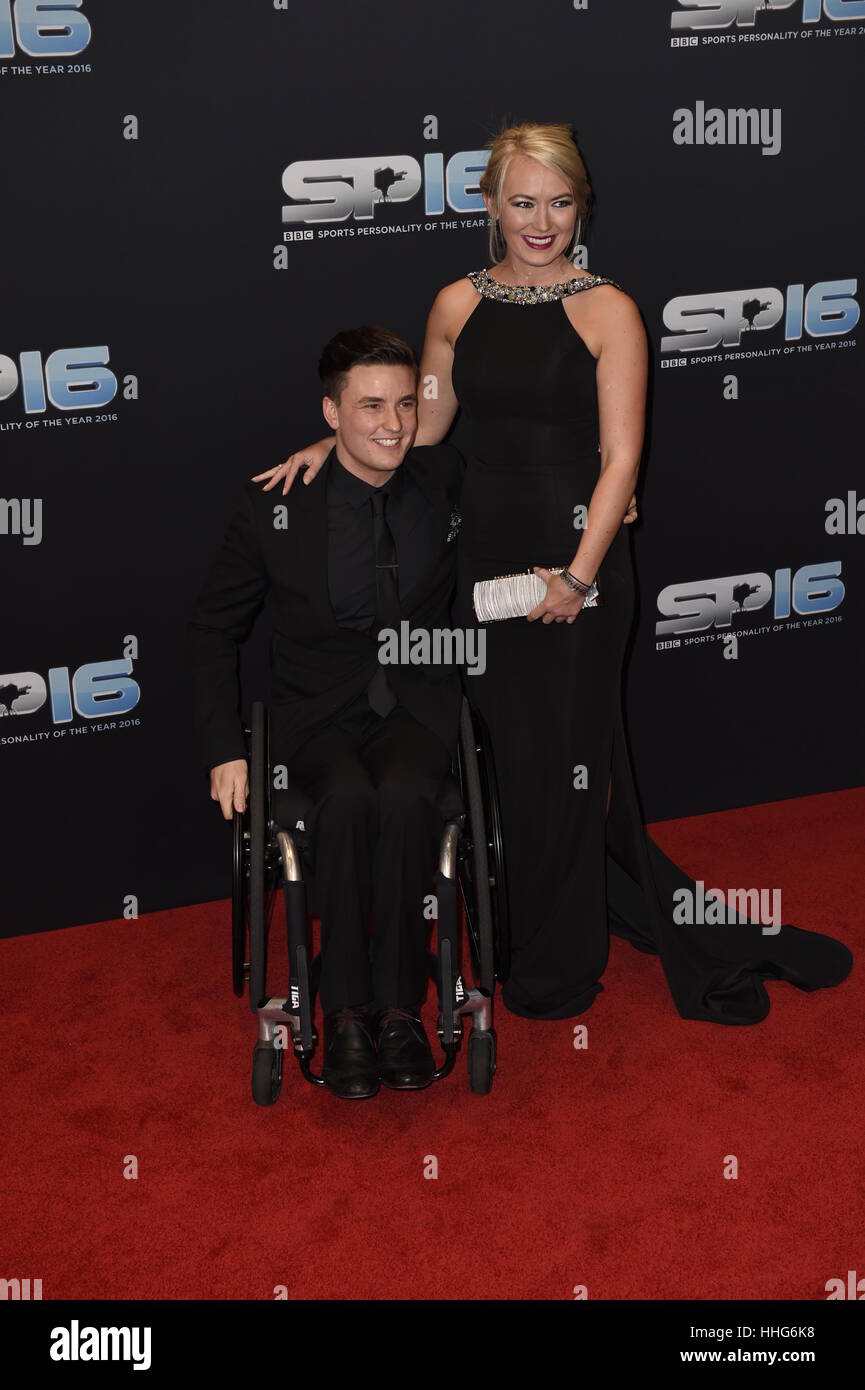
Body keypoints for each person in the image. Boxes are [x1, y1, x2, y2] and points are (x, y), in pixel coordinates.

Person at [253, 122, 853, 1026]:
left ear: (583, 207)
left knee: (569, 765)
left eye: (560, 202)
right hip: (482, 562)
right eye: (523, 201)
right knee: (505, 766)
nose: (542, 222)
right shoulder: (456, 303)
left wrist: (575, 576)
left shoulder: (608, 309)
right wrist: (333, 440)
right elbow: (427, 422)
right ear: (487, 203)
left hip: (580, 565)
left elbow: (621, 462)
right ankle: (513, 932)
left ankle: (558, 968)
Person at [187, 326, 465, 1098]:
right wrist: (223, 748)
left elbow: (532, 484)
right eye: (369, 406)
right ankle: (344, 1014)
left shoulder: (443, 482)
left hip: (414, 704)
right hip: (316, 715)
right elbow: (213, 629)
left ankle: (403, 1011)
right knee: (343, 801)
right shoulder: (274, 505)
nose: (392, 424)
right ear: (330, 413)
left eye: (405, 404)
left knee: (408, 797)